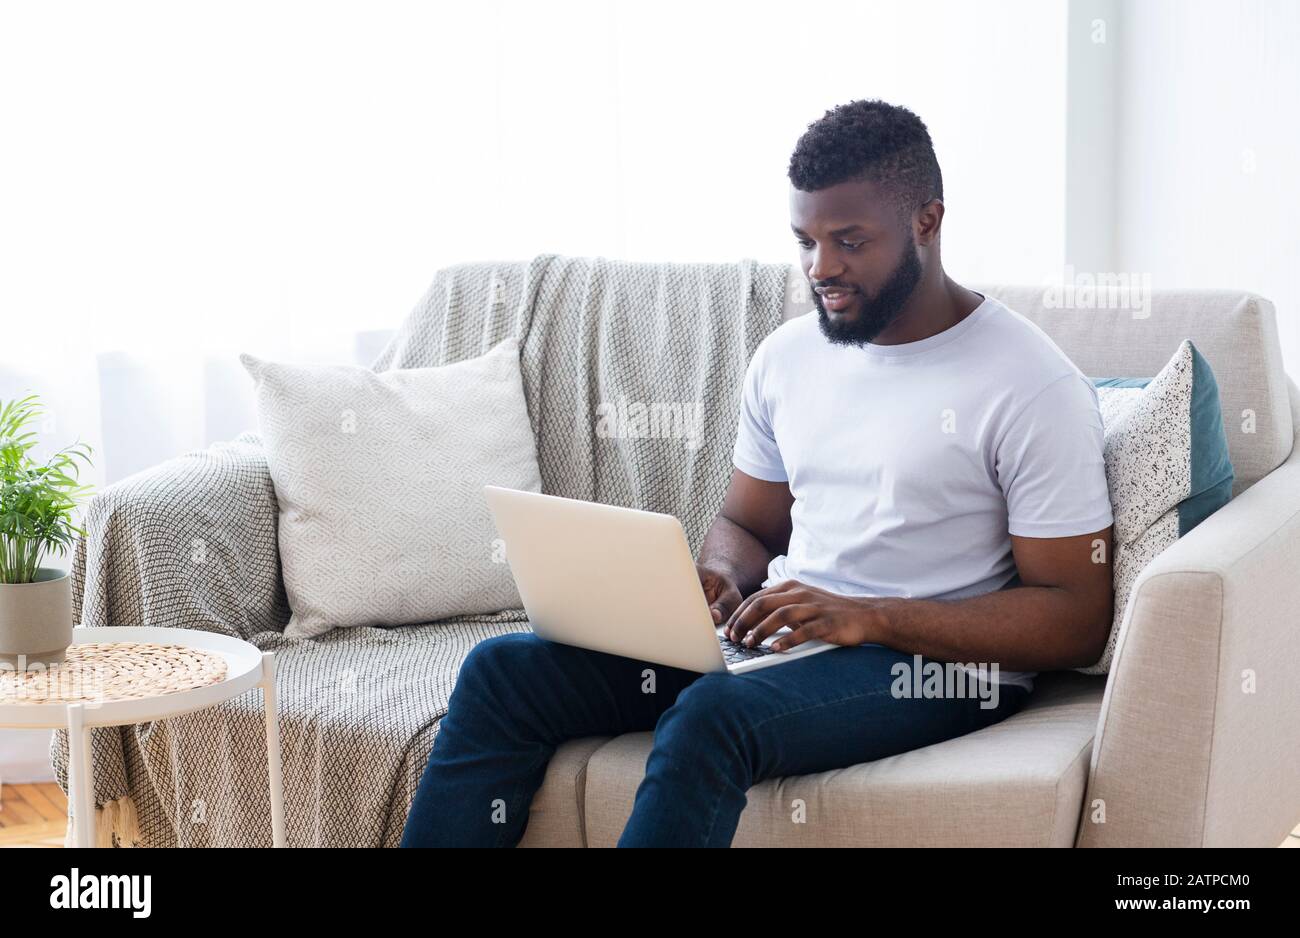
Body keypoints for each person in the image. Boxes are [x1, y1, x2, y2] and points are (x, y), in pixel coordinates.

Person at [401, 98, 1115, 848]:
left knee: (713, 717)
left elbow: (1074, 616)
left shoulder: (1031, 384)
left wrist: (868, 615)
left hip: (930, 669)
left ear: (927, 221)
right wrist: (718, 577)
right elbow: (749, 524)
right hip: (787, 639)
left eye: (849, 242)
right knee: (501, 672)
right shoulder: (789, 357)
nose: (821, 269)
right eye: (805, 241)